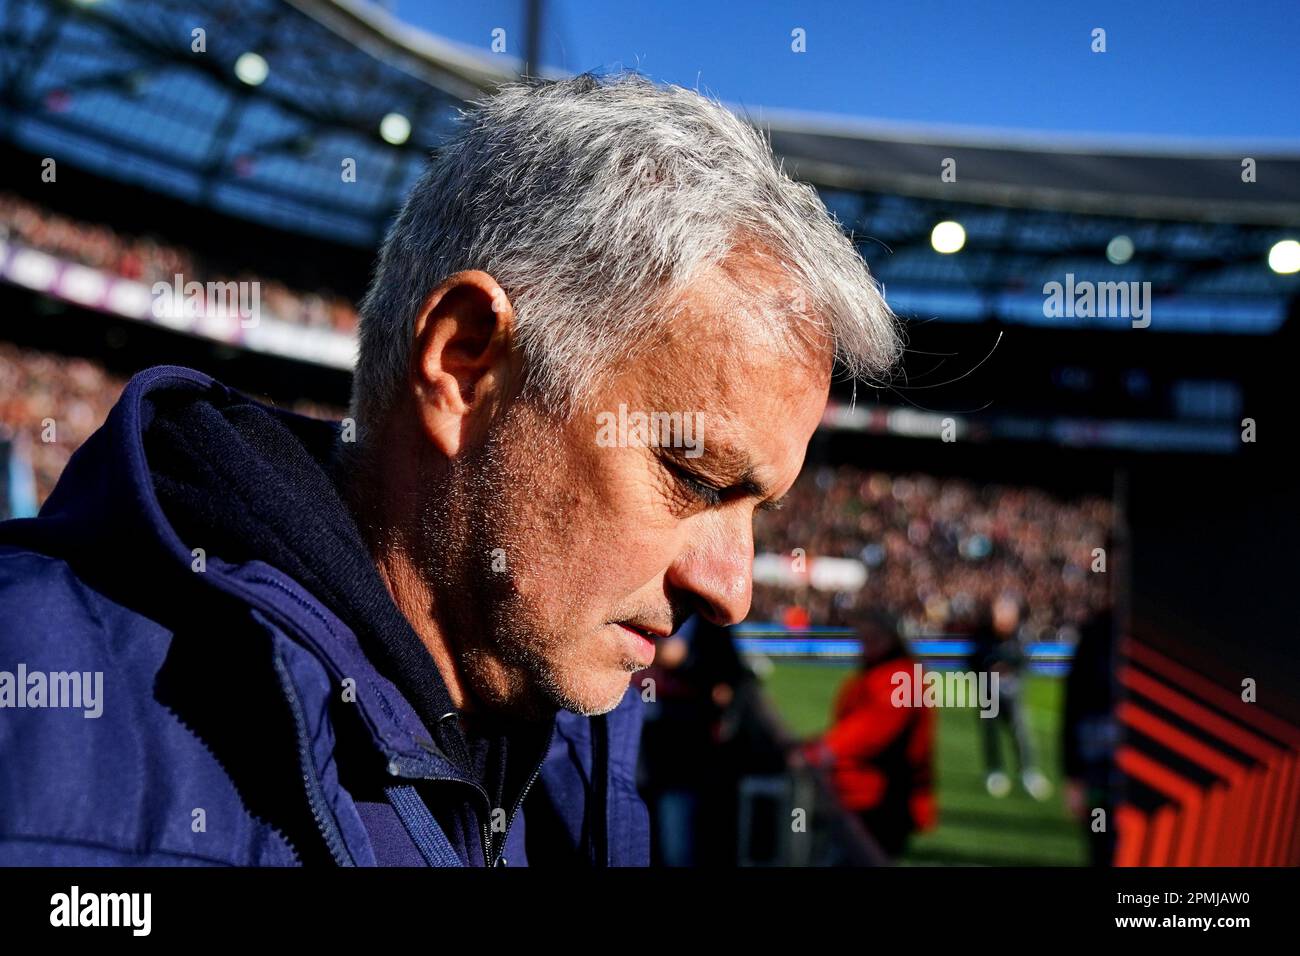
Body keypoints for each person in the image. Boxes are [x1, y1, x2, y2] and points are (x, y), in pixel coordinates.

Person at [0, 73, 901, 866]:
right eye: (694, 477)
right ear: (465, 365)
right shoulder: (36, 714)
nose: (733, 591)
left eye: (758, 508)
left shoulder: (574, 757)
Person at [800, 613, 935, 859]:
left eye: (873, 638)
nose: (864, 645)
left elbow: (868, 730)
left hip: (880, 798)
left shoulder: (902, 676)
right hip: (861, 792)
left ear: (892, 639)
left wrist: (820, 752)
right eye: (862, 638)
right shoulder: (880, 673)